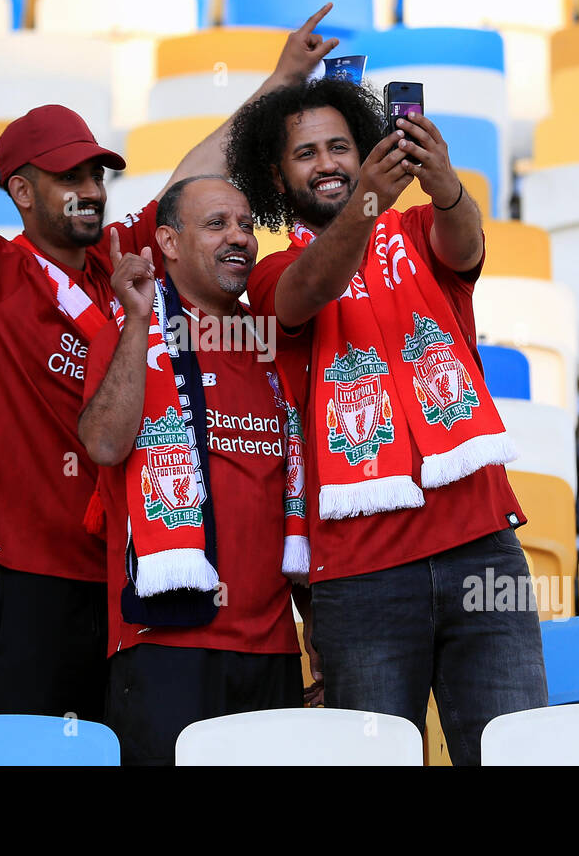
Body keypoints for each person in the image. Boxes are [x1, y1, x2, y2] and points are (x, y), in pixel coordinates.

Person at [0, 0, 338, 720]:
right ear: (22, 191)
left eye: (98, 175)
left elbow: (201, 173)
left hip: (112, 577)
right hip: (17, 574)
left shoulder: (120, 266)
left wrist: (282, 81)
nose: (92, 191)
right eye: (70, 177)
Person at [227, 77, 548, 764]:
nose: (329, 163)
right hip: (360, 575)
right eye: (306, 154)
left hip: (480, 547)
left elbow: (464, 247)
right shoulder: (268, 275)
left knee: (513, 754)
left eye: (341, 146)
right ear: (278, 185)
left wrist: (446, 186)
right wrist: (372, 200)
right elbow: (307, 293)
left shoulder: (413, 228)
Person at [78, 174, 313, 765]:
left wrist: (319, 634)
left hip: (272, 651)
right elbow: (104, 444)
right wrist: (135, 323)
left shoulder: (273, 343)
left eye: (246, 225)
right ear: (169, 243)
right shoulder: (130, 333)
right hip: (166, 645)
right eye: (216, 224)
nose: (239, 237)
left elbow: (299, 498)